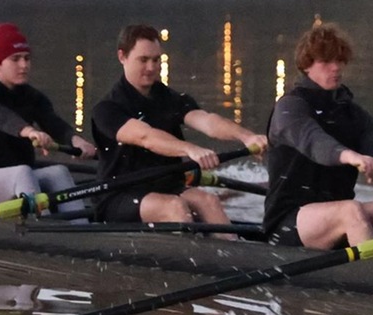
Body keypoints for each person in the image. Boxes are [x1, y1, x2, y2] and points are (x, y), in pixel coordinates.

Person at [263, 23, 373, 249]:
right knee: (350, 210)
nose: (335, 68)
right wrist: (350, 156)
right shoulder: (290, 108)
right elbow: (315, 142)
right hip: (289, 222)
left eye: (339, 61)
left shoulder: (354, 115)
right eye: (326, 61)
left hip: (335, 215)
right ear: (306, 65)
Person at [91, 24, 267, 228]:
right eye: (143, 60)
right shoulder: (107, 109)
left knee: (208, 201)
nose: (151, 67)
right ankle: (190, 256)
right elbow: (146, 137)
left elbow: (207, 121)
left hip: (166, 186)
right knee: (174, 207)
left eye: (156, 60)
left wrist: (246, 137)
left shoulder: (169, 98)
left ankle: (232, 252)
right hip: (119, 195)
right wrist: (190, 149)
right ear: (122, 57)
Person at [0, 22, 97, 213]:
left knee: (58, 172)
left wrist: (78, 141)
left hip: (16, 184)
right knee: (22, 172)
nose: (24, 65)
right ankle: (43, 232)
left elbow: (54, 124)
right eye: (16, 59)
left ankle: (79, 230)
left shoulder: (31, 96)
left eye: (27, 58)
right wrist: (29, 131)